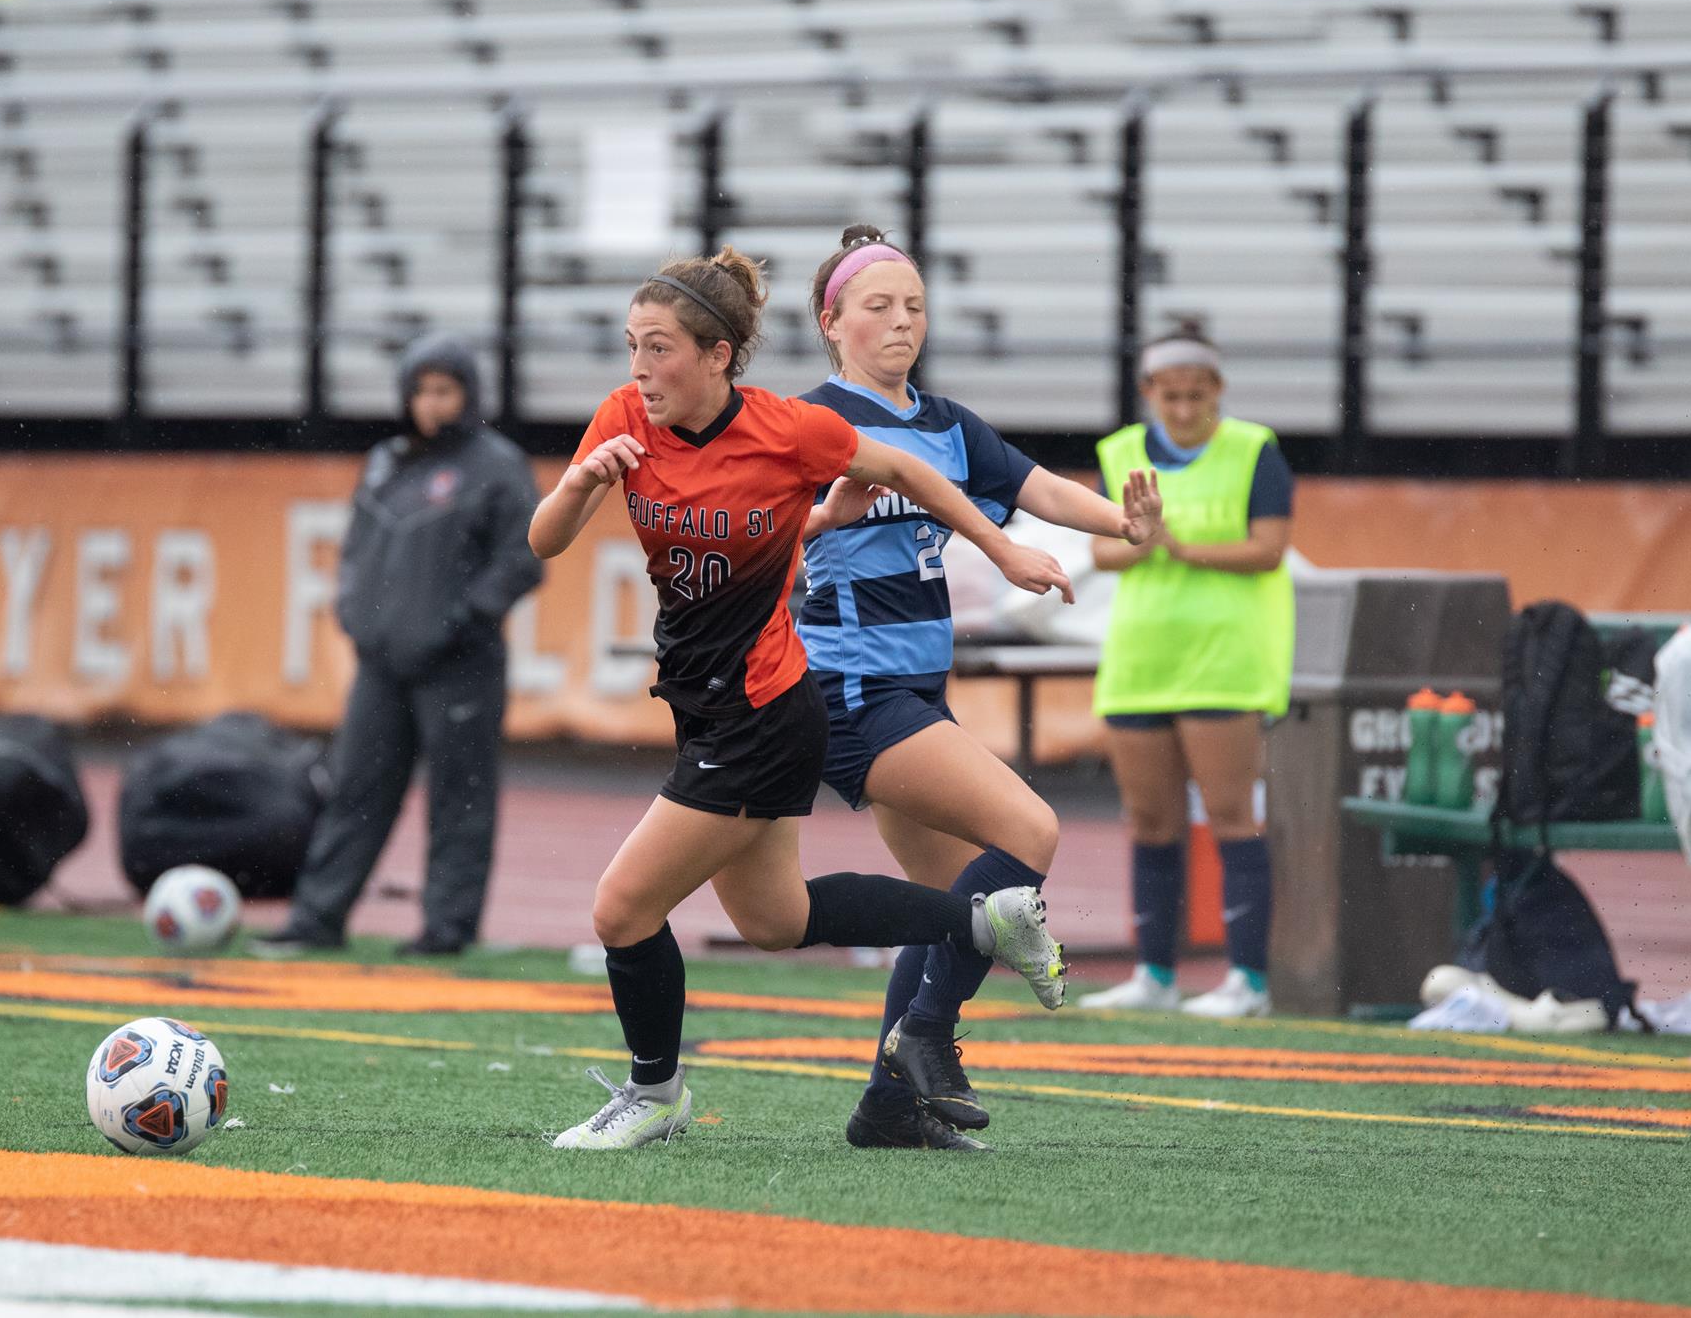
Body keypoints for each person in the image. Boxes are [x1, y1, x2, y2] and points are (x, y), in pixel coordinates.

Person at [529, 246, 1076, 1150]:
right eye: (632, 345)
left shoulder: (786, 428)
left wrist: (1003, 548)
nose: (638, 367)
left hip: (765, 712)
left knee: (621, 907)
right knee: (776, 920)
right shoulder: (626, 415)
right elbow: (546, 542)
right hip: (705, 706)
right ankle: (983, 919)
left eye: (658, 347)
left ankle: (654, 1093)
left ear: (717, 355)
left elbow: (910, 472)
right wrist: (579, 482)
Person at [796, 224, 1163, 1150]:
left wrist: (1123, 523)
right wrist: (815, 519)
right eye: (877, 307)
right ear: (831, 322)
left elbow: (1039, 487)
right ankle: (922, 1038)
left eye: (914, 306)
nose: (900, 322)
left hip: (916, 693)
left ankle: (888, 1107)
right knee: (1029, 831)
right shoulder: (804, 421)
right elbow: (761, 528)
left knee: (946, 899)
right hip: (851, 691)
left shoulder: (944, 424)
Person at [252, 333, 543, 959]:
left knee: (458, 800)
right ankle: (317, 918)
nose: (430, 403)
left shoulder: (497, 465)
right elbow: (356, 552)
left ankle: (447, 928)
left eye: (444, 390)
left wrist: (464, 619)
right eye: (420, 390)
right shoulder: (385, 460)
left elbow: (523, 558)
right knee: (354, 790)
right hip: (381, 666)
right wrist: (356, 616)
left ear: (468, 395)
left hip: (460, 664)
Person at [1078, 324, 1296, 1018]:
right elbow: (1103, 552)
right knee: (1150, 820)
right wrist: (1143, 540)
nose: (1181, 409)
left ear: (1217, 392)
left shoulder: (1254, 450)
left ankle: (1249, 981)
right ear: (1149, 392)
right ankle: (1155, 975)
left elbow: (1268, 549)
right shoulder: (1120, 453)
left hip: (1224, 661)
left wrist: (1181, 545)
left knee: (1231, 816)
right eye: (1169, 396)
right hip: (1143, 658)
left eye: (1195, 396)